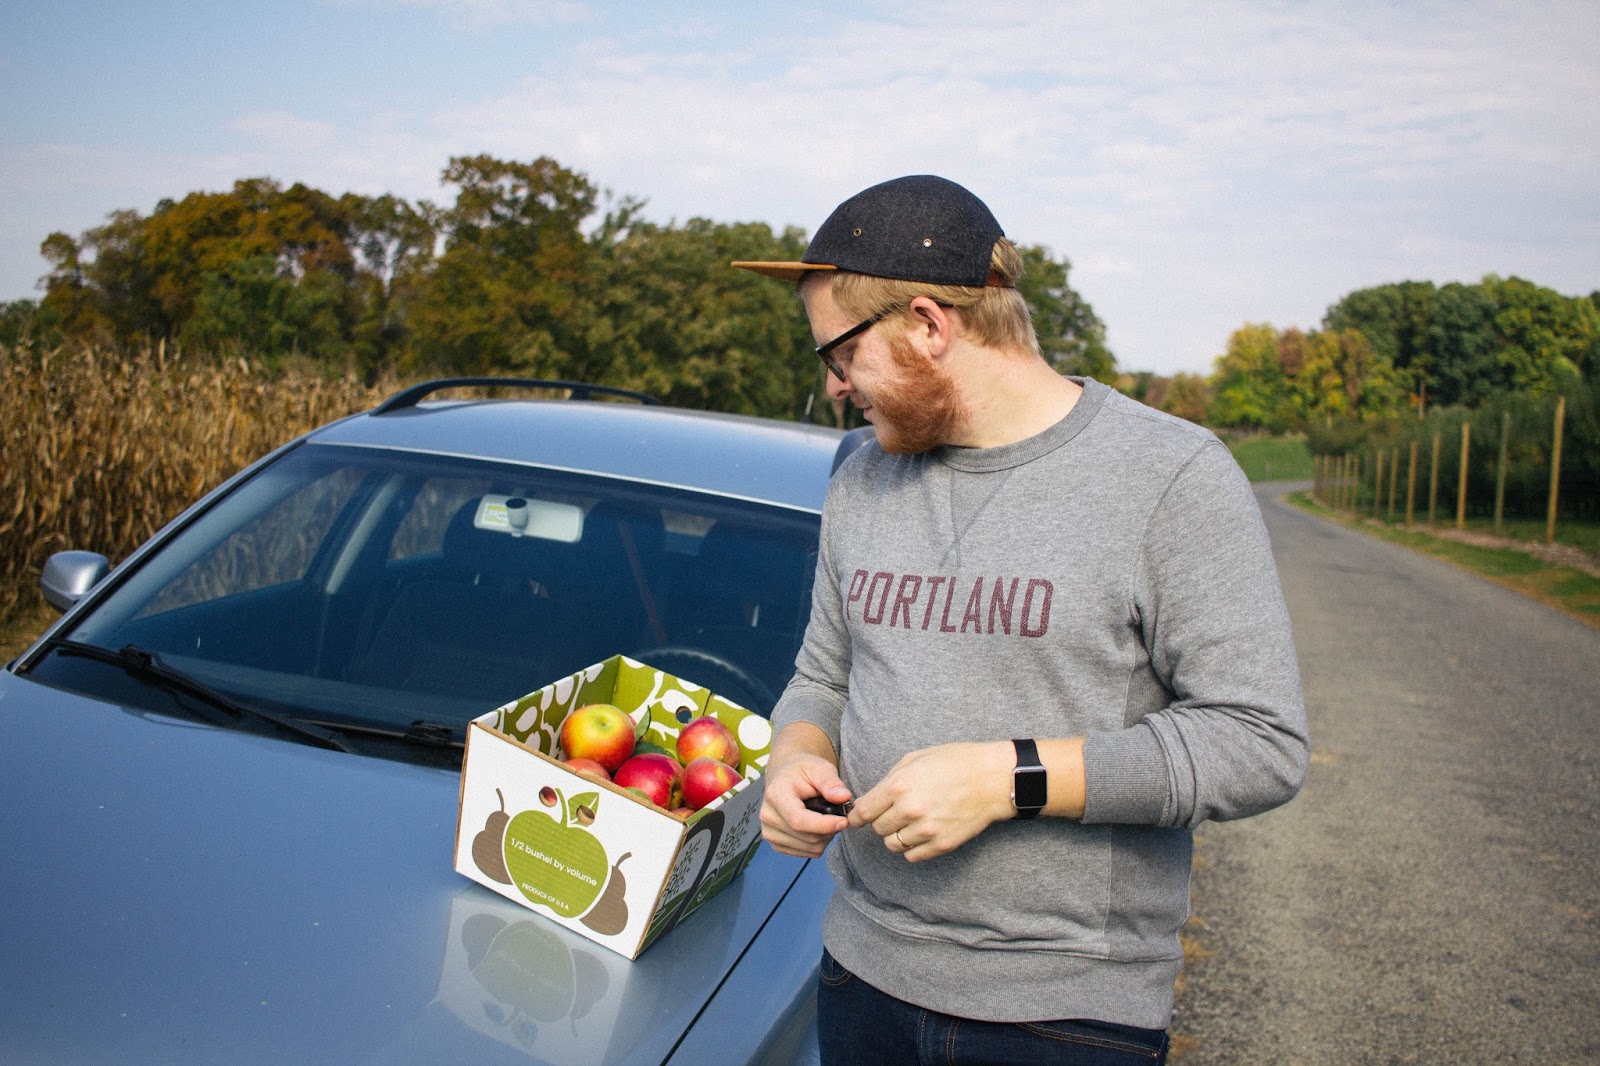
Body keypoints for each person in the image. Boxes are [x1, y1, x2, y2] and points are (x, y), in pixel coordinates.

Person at [733, 174, 1309, 1065]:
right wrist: (795, 755)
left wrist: (1012, 777)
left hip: (1064, 1017)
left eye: (840, 356)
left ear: (928, 325)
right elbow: (824, 675)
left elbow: (1258, 741)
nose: (837, 388)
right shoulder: (862, 474)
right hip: (860, 978)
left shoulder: (1172, 477)